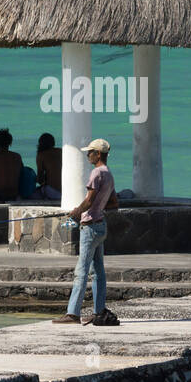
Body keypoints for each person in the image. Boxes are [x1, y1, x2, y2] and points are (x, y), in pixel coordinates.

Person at [52, 138, 120, 326]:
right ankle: (98, 311)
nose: (87, 154)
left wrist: (77, 211)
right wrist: (98, 206)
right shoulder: (109, 174)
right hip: (101, 226)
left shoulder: (96, 173)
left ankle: (73, 313)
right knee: (98, 271)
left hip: (90, 227)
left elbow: (89, 200)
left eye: (90, 152)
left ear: (98, 154)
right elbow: (114, 203)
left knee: (81, 271)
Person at [35, 132, 62, 200]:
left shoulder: (41, 155)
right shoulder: (61, 151)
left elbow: (40, 179)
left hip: (53, 192)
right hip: (66, 191)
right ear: (53, 142)